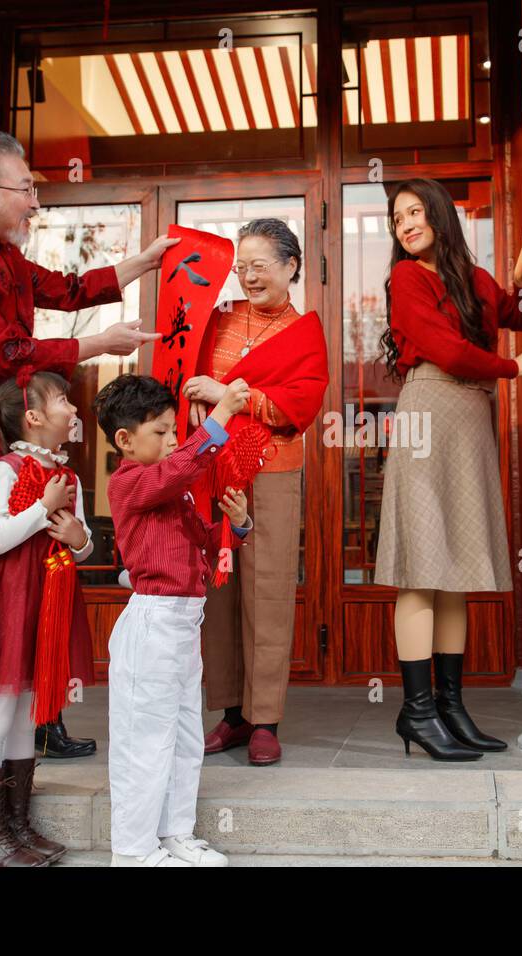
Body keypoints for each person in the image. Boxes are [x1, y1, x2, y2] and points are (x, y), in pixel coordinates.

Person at [0, 129, 175, 792]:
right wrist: (96, 346)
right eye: (27, 188)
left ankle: (35, 717)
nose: (36, 201)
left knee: (29, 576)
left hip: (13, 446)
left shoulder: (6, 253)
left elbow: (69, 288)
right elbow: (4, 352)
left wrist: (145, 262)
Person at [374, 178, 522, 760]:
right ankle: (418, 711)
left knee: (454, 570)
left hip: (471, 415)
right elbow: (448, 350)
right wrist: (515, 368)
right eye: (397, 218)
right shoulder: (406, 278)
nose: (405, 224)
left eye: (414, 212)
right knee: (422, 567)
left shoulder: (471, 278)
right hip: (430, 407)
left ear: (439, 214)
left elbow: (513, 315)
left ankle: (451, 707)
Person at [0, 369, 96, 867]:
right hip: (3, 603)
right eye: (63, 401)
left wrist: (78, 538)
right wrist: (43, 508)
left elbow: (85, 544)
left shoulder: (68, 475)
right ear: (33, 416)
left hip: (44, 606)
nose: (72, 410)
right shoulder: (5, 469)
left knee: (29, 716)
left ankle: (17, 827)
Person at [96, 373, 253, 867]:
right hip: (153, 624)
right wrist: (221, 415)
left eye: (173, 432)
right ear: (125, 440)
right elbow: (180, 469)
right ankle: (133, 849)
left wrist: (239, 524)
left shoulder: (171, 486)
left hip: (184, 624)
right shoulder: (130, 482)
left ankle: (174, 834)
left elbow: (207, 544)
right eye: (161, 432)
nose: (170, 442)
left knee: (185, 738)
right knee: (145, 742)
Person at [188, 219, 328, 767]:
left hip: (271, 466)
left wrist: (230, 395)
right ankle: (231, 714)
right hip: (213, 465)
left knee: (266, 588)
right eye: (241, 266)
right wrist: (198, 397)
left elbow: (300, 407)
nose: (248, 276)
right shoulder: (217, 317)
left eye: (260, 265)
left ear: (291, 266)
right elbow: (190, 374)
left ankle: (265, 717)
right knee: (219, 587)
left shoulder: (305, 330)